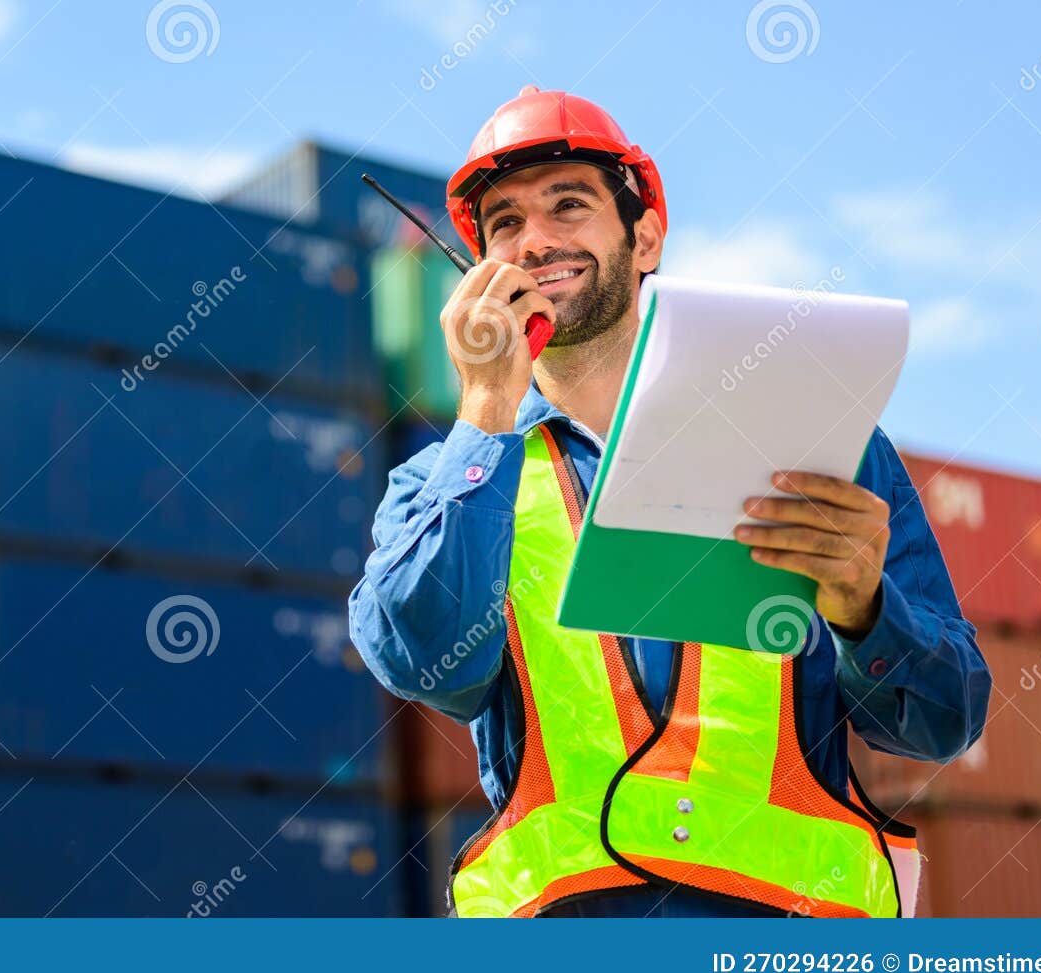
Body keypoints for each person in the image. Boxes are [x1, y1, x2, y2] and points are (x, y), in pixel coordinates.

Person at [348, 86, 991, 918]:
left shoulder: (821, 444)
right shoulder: (443, 481)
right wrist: (484, 413)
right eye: (504, 223)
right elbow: (424, 661)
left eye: (568, 206)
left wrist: (867, 609)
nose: (535, 239)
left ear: (644, 236)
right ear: (479, 268)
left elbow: (945, 722)